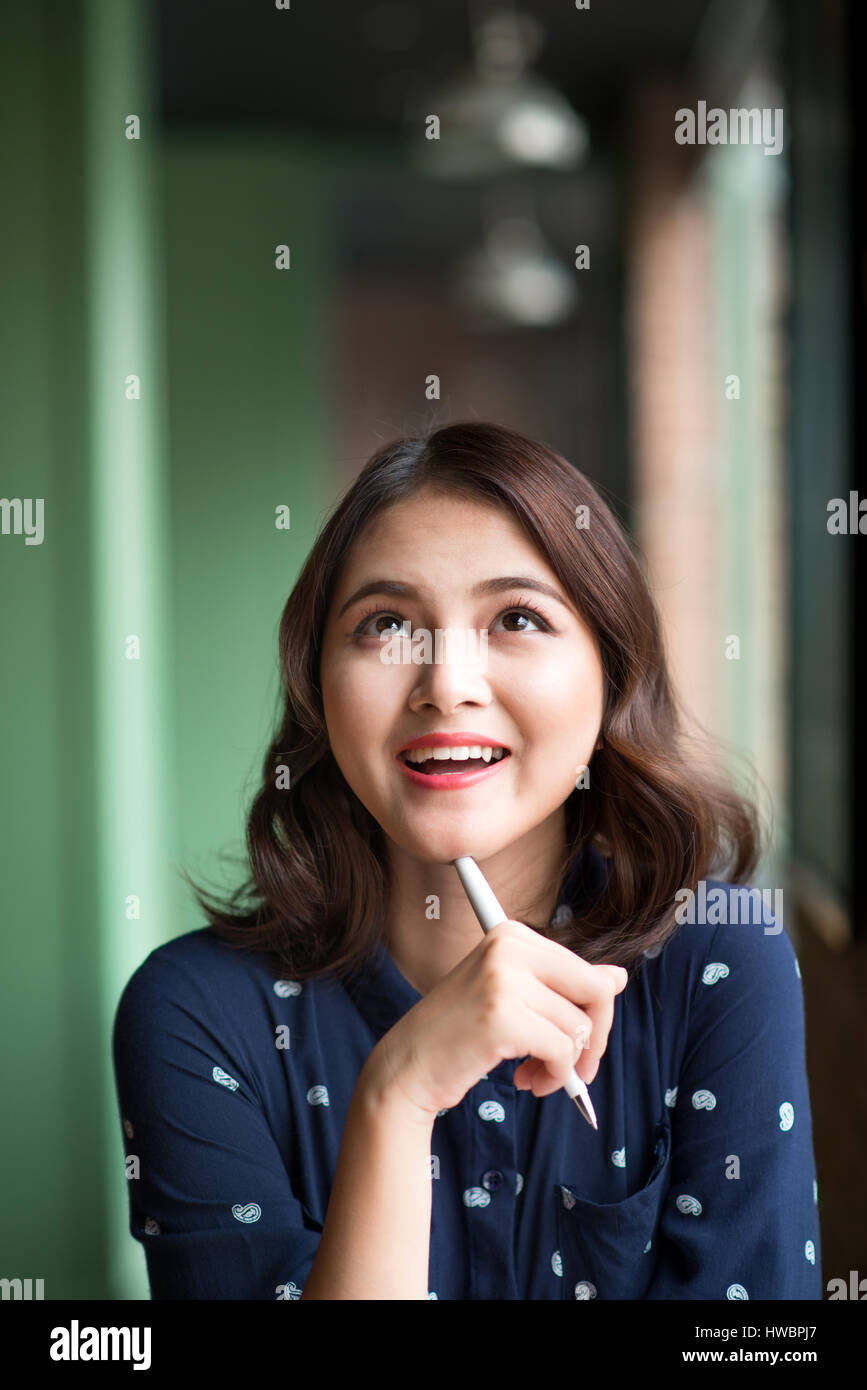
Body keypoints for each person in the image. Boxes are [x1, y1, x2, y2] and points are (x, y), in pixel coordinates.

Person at [112, 420, 822, 1300]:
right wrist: (396, 1098)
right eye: (385, 624)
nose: (445, 681)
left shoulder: (721, 963)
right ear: (317, 685)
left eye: (516, 618)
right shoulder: (197, 1015)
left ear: (610, 675)